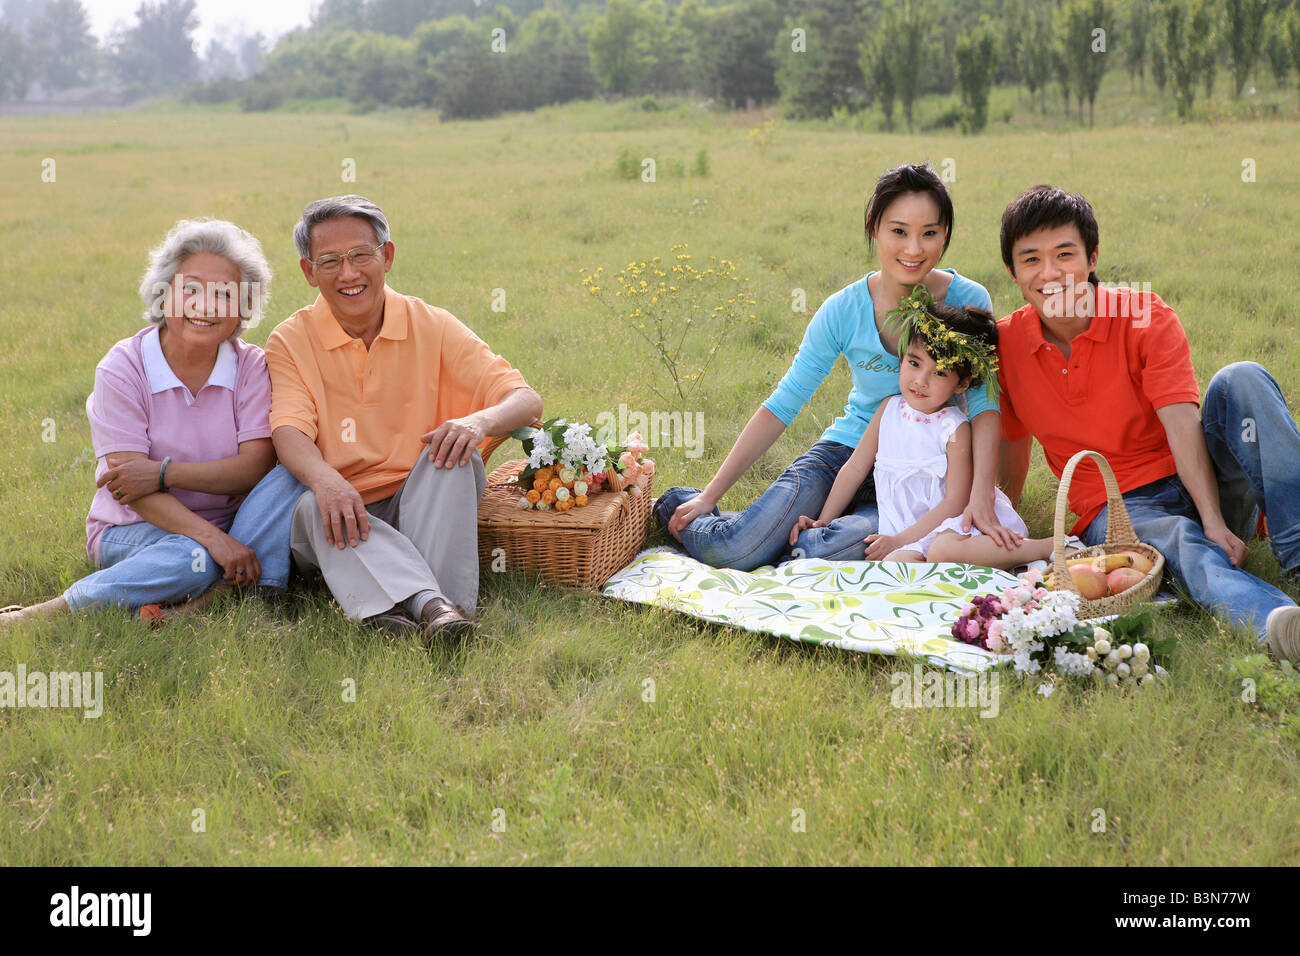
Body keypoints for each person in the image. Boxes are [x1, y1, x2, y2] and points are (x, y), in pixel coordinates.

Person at [654, 163, 1021, 570]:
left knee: (814, 554)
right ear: (873, 227)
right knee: (734, 550)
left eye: (929, 233)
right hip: (843, 455)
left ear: (945, 234)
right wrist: (710, 494)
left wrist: (980, 495)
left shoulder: (967, 301)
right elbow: (784, 403)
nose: (914, 249)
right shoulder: (842, 309)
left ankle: (774, 530)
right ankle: (679, 503)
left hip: (915, 476)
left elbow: (986, 404)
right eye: (899, 231)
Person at [995, 184, 1300, 661]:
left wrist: (1216, 519)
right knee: (1180, 541)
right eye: (1031, 259)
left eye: (1064, 254)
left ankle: (1296, 555)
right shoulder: (1006, 346)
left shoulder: (1142, 315)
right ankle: (1275, 624)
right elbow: (1011, 445)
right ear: (1013, 270)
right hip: (1119, 510)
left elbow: (1182, 424)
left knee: (1243, 378)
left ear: (1092, 257)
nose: (1050, 273)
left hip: (1200, 478)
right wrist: (1004, 526)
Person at [266, 195, 543, 643]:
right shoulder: (289, 340)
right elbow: (289, 431)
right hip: (345, 510)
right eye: (330, 261)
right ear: (308, 272)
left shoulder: (430, 324)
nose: (349, 273)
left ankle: (396, 615)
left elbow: (525, 400)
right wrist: (325, 478)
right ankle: (436, 610)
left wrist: (476, 423)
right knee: (313, 504)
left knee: (454, 457)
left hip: (421, 505)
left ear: (387, 256)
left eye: (361, 255)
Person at [0, 219, 303, 627]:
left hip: (234, 526)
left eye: (223, 294)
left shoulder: (251, 367)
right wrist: (214, 541)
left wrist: (163, 473)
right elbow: (131, 489)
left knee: (295, 474)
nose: (204, 306)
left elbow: (254, 468)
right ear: (164, 293)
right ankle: (50, 614)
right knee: (193, 558)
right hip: (137, 527)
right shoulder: (123, 368)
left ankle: (209, 599)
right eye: (190, 289)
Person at [789, 294, 1070, 568]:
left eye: (939, 373)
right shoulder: (889, 409)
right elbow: (854, 468)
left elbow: (955, 501)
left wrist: (899, 539)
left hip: (950, 526)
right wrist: (824, 520)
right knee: (893, 566)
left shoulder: (954, 427)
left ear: (961, 385)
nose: (920, 381)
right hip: (904, 529)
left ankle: (1050, 546)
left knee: (943, 550)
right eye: (914, 363)